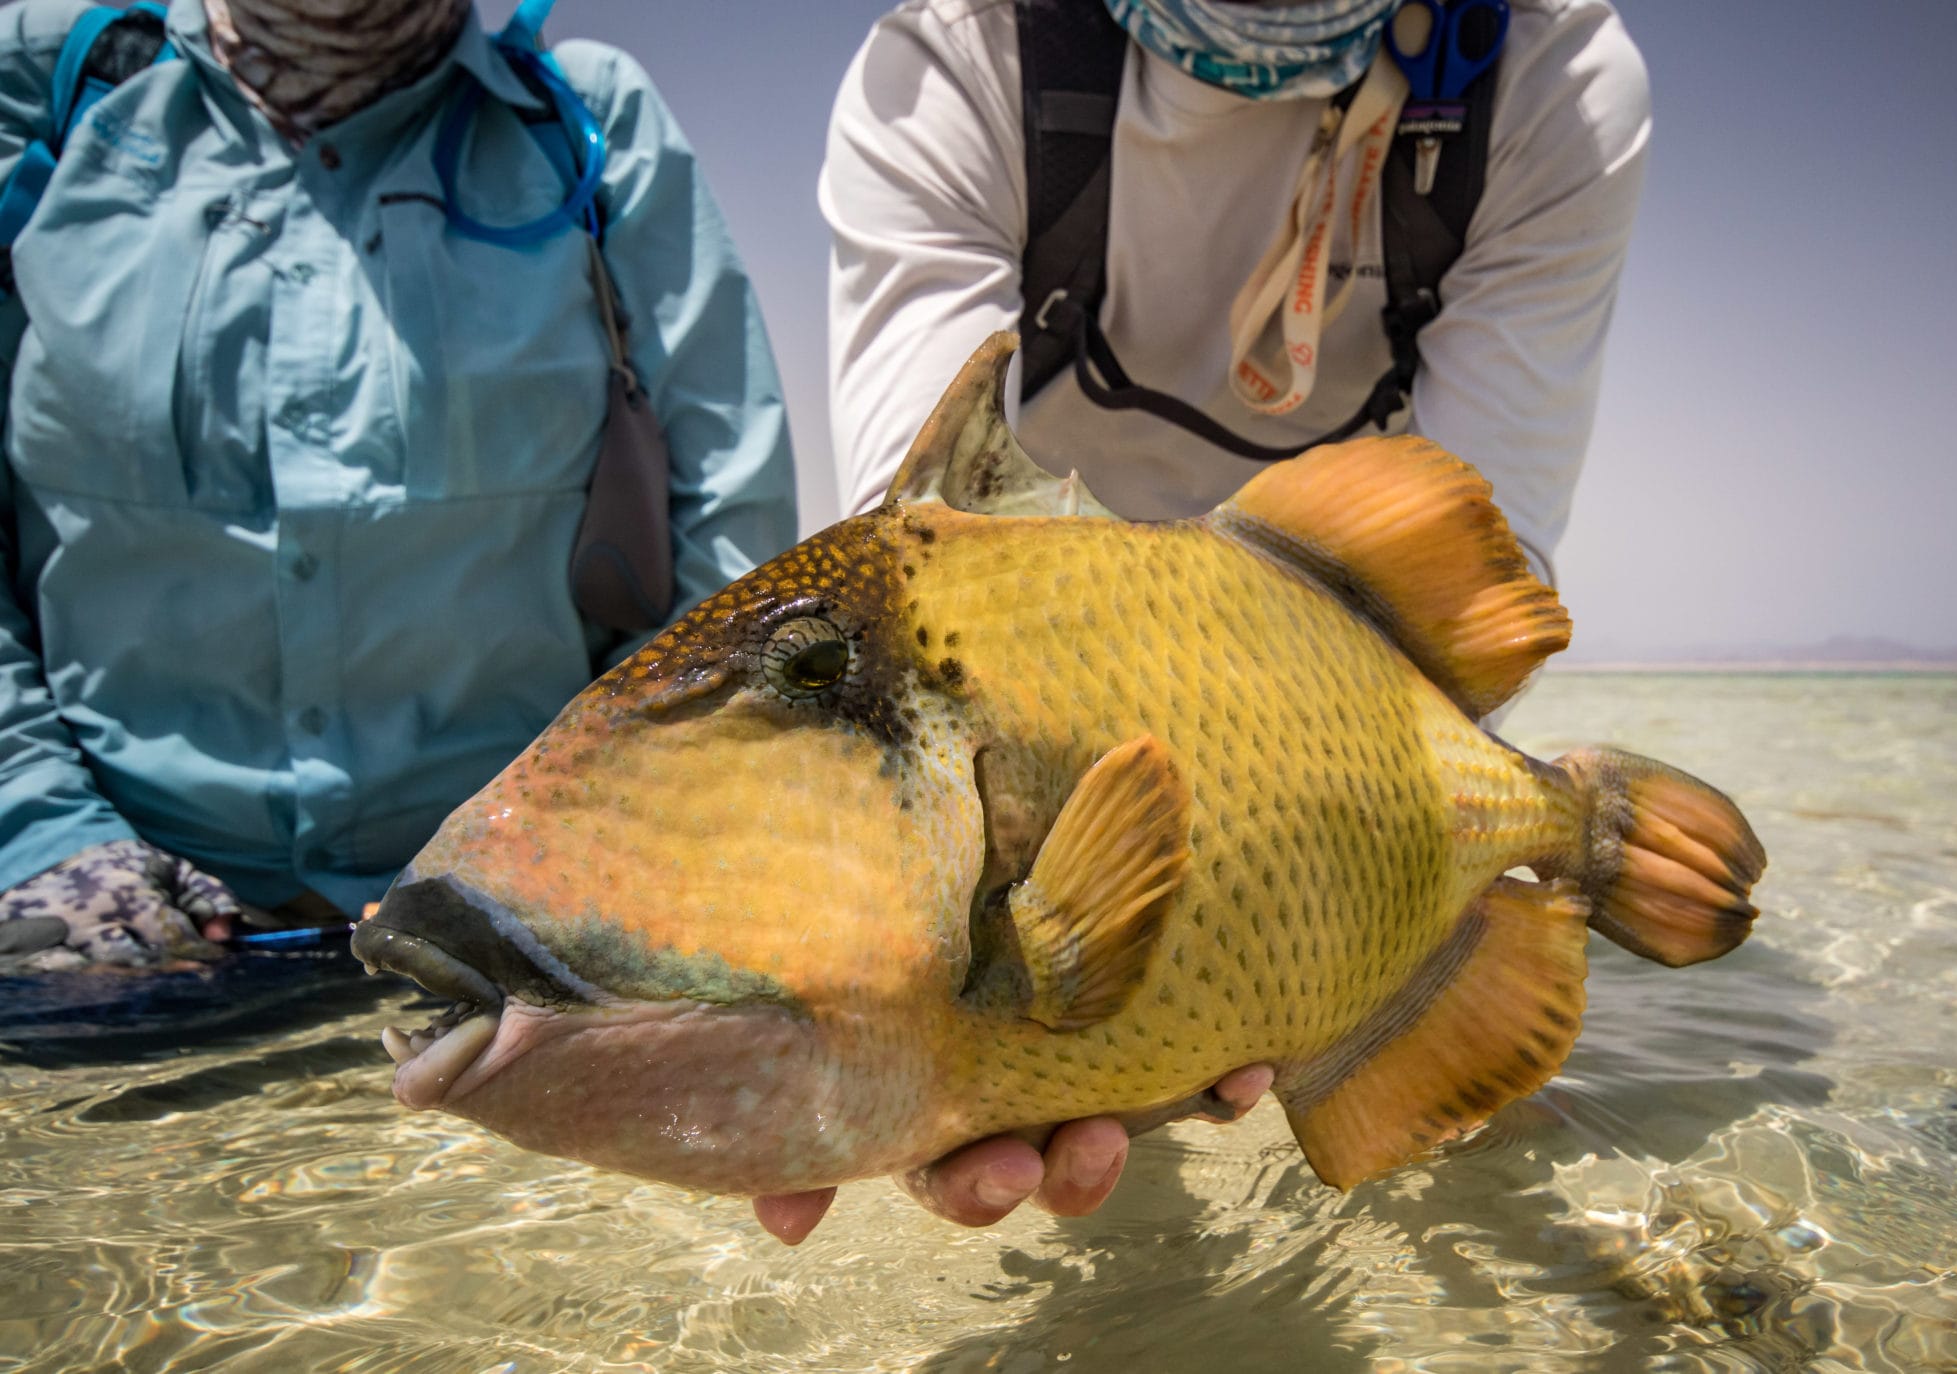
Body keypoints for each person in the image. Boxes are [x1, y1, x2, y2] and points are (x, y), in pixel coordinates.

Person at [799, 0, 1648, 1240]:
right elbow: (917, 567)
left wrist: (1284, 933)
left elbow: (1474, 585)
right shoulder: (955, 54)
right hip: (1033, 671)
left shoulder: (1551, 79)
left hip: (1337, 662)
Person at [0, 0, 796, 970]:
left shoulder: (590, 124)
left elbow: (727, 563)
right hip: (98, 950)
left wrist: (591, 859)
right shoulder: (44, 96)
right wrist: (46, 838)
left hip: (514, 950)